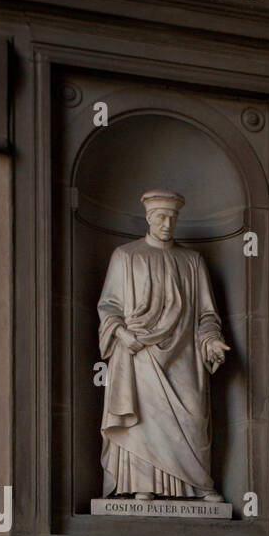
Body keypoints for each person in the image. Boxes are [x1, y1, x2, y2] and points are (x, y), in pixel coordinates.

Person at [97, 189, 230, 501]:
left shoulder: (192, 261)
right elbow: (109, 306)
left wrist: (211, 340)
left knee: (194, 418)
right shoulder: (126, 256)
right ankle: (143, 484)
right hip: (138, 354)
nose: (167, 223)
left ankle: (197, 484)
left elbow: (207, 314)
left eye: (172, 217)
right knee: (143, 419)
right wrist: (121, 332)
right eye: (161, 217)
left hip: (185, 355)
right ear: (148, 218)